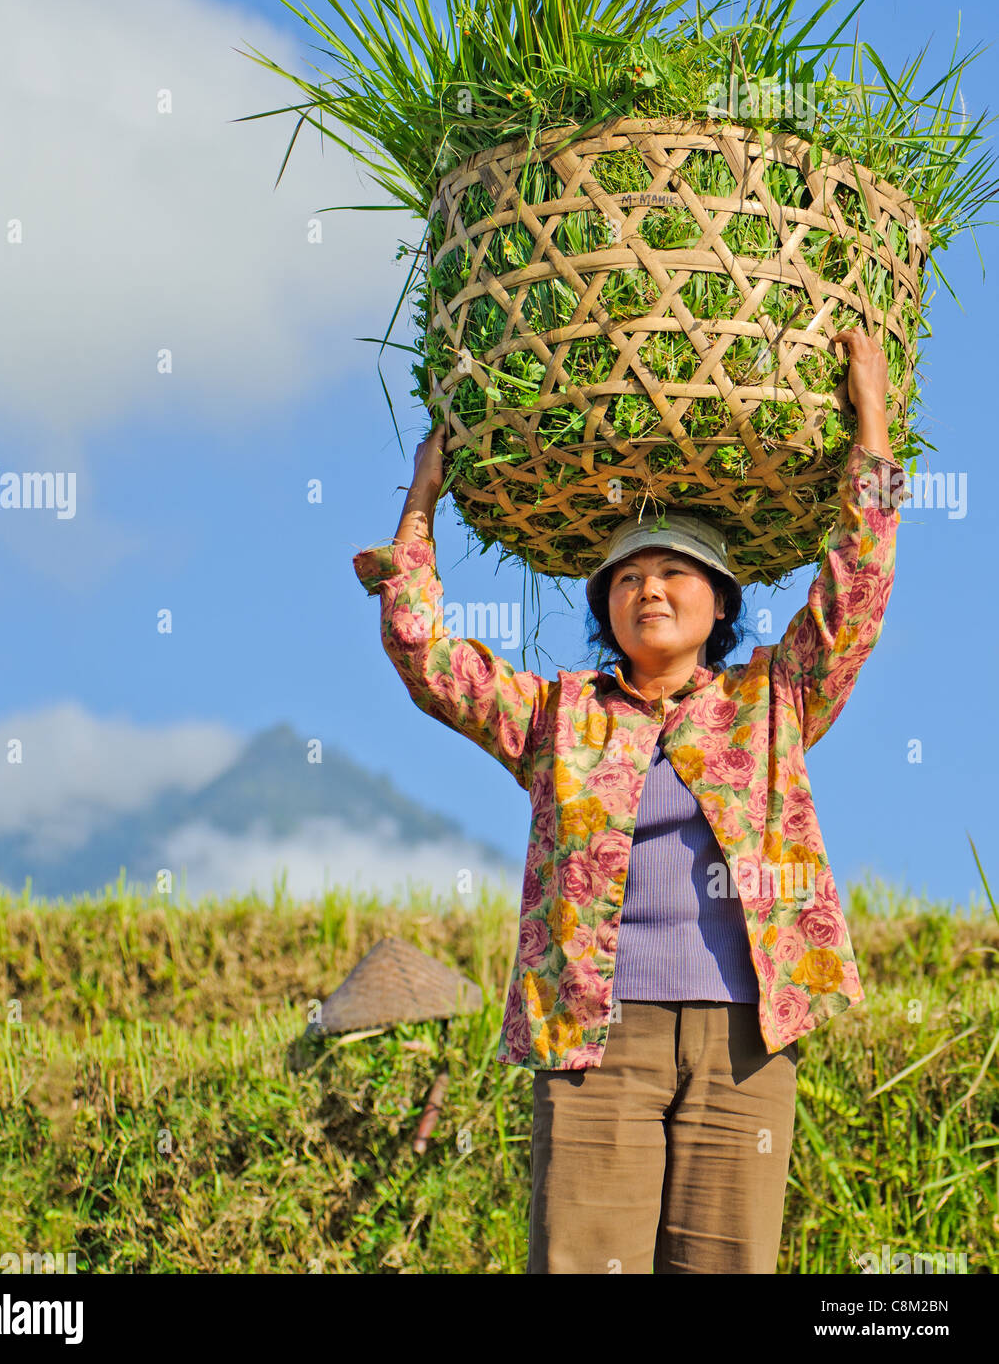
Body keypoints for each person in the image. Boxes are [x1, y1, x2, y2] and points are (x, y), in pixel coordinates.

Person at [351, 327, 907, 1273]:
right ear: (606, 607)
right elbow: (427, 657)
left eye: (675, 573)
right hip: (594, 1038)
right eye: (628, 579)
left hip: (747, 1036)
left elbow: (857, 584)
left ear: (721, 603)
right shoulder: (556, 716)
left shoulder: (770, 699)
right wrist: (420, 504)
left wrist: (873, 426)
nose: (649, 589)